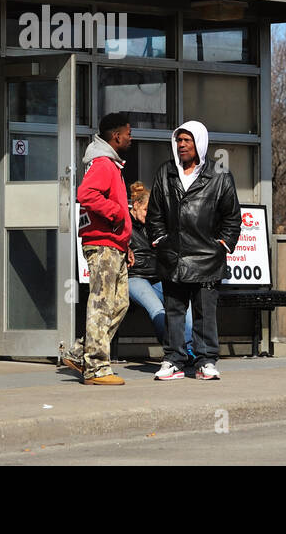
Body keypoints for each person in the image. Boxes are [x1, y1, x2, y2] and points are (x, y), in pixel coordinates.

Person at [146, 120, 240, 381]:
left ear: (199, 143)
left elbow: (232, 218)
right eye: (179, 140)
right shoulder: (166, 172)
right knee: (173, 312)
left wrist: (221, 245)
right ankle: (173, 360)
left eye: (187, 140)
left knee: (204, 314)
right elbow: (154, 214)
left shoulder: (220, 175)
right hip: (172, 257)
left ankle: (205, 361)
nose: (182, 145)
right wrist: (160, 240)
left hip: (207, 258)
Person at [60, 112, 134, 384]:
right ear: (116, 136)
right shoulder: (103, 163)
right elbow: (85, 194)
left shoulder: (112, 163)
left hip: (114, 244)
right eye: (128, 133)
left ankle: (81, 352)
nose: (131, 137)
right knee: (102, 303)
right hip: (102, 243)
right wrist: (116, 214)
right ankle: (96, 368)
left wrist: (125, 243)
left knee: (120, 304)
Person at [126, 182, 192, 356]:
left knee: (185, 303)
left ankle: (189, 348)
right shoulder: (124, 222)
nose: (149, 215)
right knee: (157, 309)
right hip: (135, 276)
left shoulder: (155, 224)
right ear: (136, 205)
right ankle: (173, 351)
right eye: (146, 210)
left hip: (157, 275)